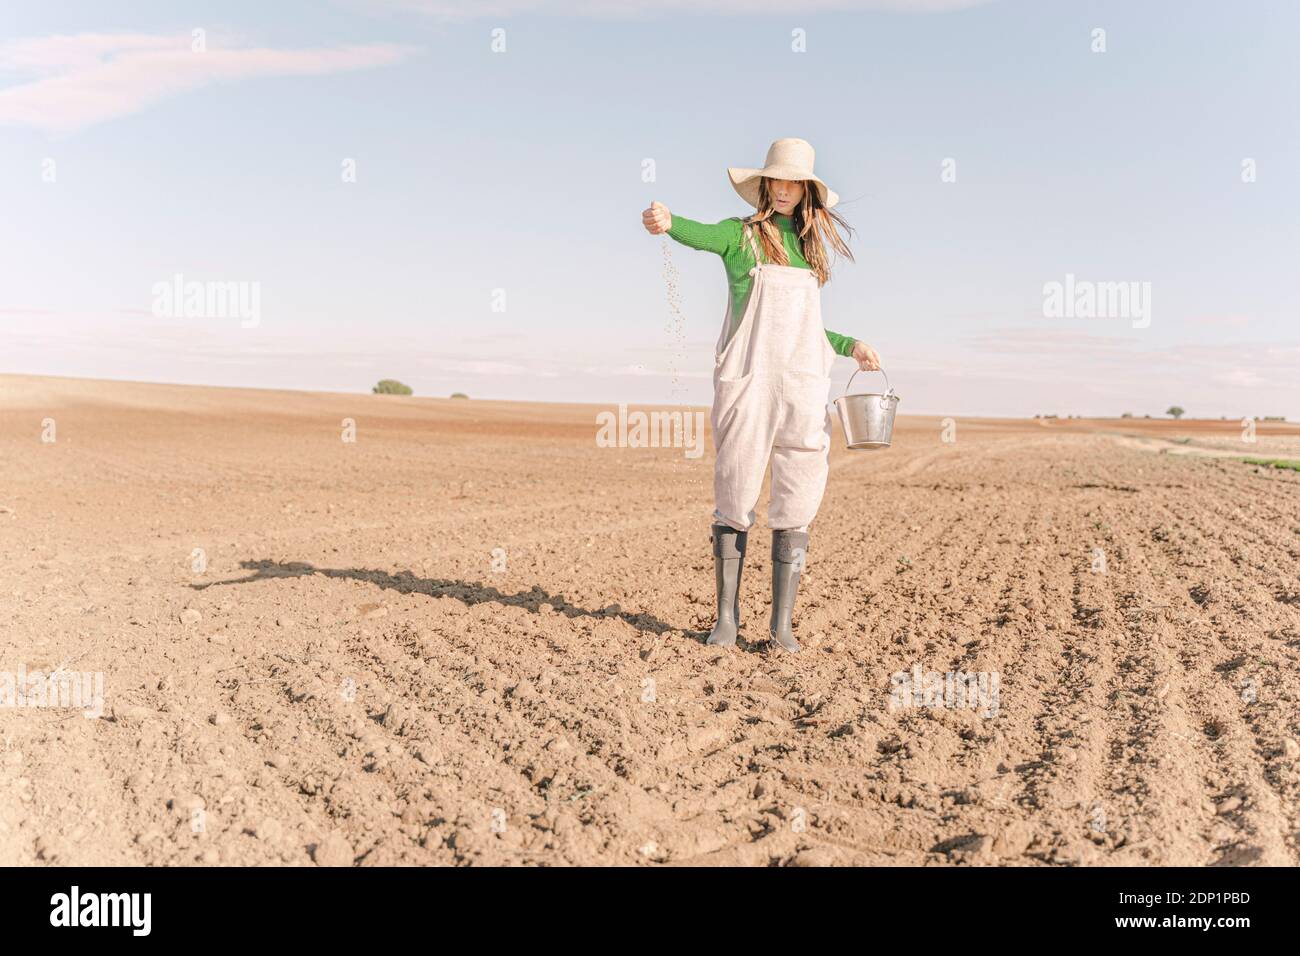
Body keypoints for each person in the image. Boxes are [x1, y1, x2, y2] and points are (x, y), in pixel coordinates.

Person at [642, 138, 880, 653]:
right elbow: (698, 234)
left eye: (797, 182)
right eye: (779, 179)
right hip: (749, 382)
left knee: (795, 497)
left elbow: (808, 331)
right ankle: (726, 620)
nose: (787, 189)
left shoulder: (811, 251)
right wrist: (666, 220)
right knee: (736, 491)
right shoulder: (740, 236)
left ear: (808, 190)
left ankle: (782, 627)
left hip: (802, 385)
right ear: (766, 184)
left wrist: (850, 345)